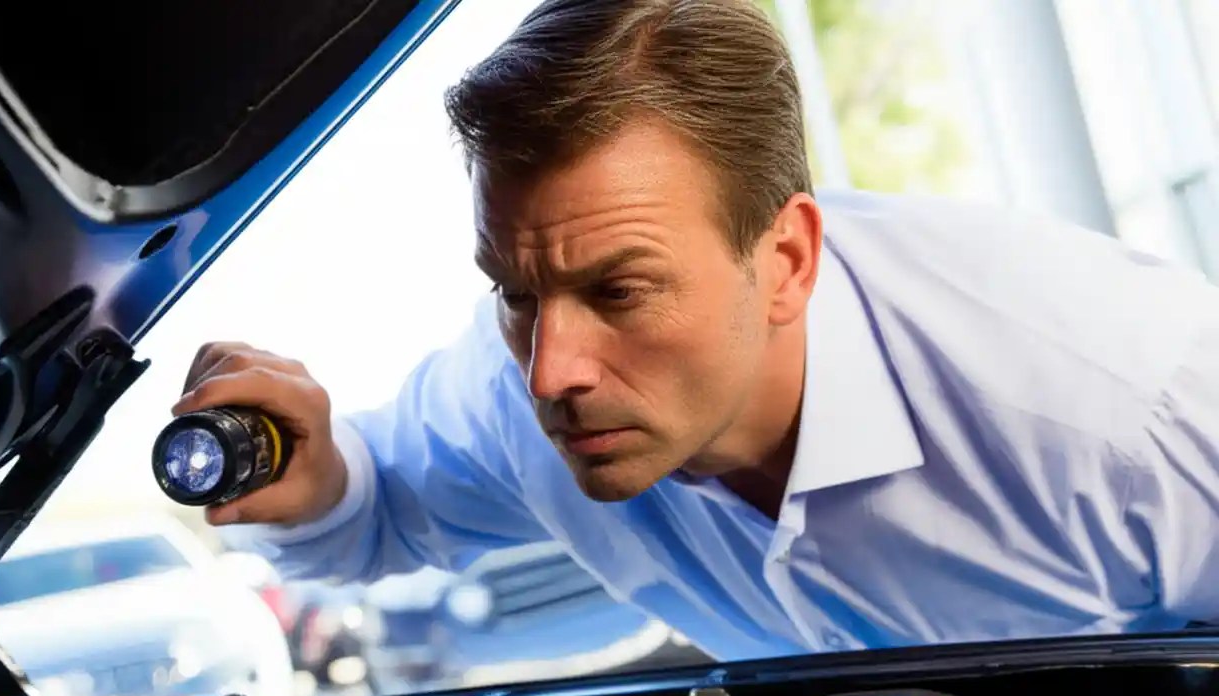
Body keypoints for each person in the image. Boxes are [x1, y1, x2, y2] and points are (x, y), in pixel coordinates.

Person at [174, 0, 1219, 661]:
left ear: (786, 261)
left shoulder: (1128, 404)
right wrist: (314, 481)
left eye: (621, 292)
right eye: (516, 294)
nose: (551, 372)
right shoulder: (512, 397)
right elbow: (377, 499)